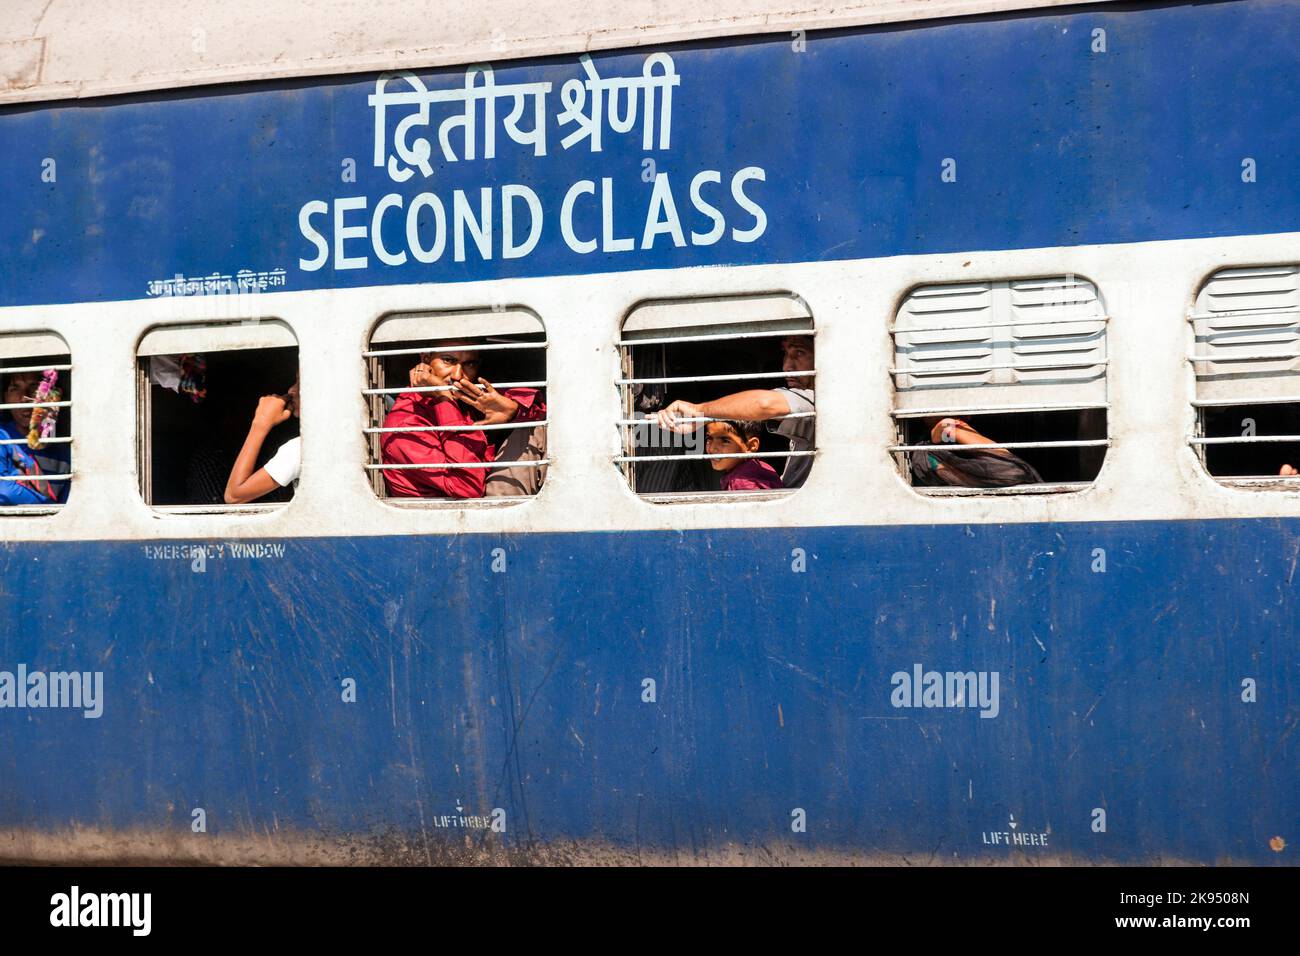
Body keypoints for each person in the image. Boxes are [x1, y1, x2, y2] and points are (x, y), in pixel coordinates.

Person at [380, 346, 545, 498]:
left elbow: (540, 409)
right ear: (426, 359)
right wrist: (443, 396)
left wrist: (514, 412)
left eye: (470, 364)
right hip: (448, 520)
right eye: (448, 360)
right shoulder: (406, 422)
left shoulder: (465, 398)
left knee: (539, 426)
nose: (457, 375)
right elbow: (468, 487)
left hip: (474, 509)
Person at [655, 335, 815, 487]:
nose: (787, 367)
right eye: (786, 354)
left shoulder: (813, 400)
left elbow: (763, 404)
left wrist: (699, 411)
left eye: (799, 353)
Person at [224, 374, 300, 504]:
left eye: (301, 381)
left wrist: (261, 423)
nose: (291, 390)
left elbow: (234, 495)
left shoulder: (299, 449)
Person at [0, 370, 70, 506]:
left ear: (50, 396)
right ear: (5, 398)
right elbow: (3, 492)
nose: (24, 398)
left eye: (34, 388)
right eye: (15, 389)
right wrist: (51, 506)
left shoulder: (63, 449)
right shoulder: (3, 437)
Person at [908, 417, 1042, 487]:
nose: (967, 417)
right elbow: (1013, 472)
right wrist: (950, 427)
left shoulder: (955, 445)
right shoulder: (925, 454)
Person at [705, 419, 784, 491]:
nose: (712, 448)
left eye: (725, 440)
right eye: (709, 438)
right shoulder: (760, 466)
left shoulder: (741, 481)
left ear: (751, 446)